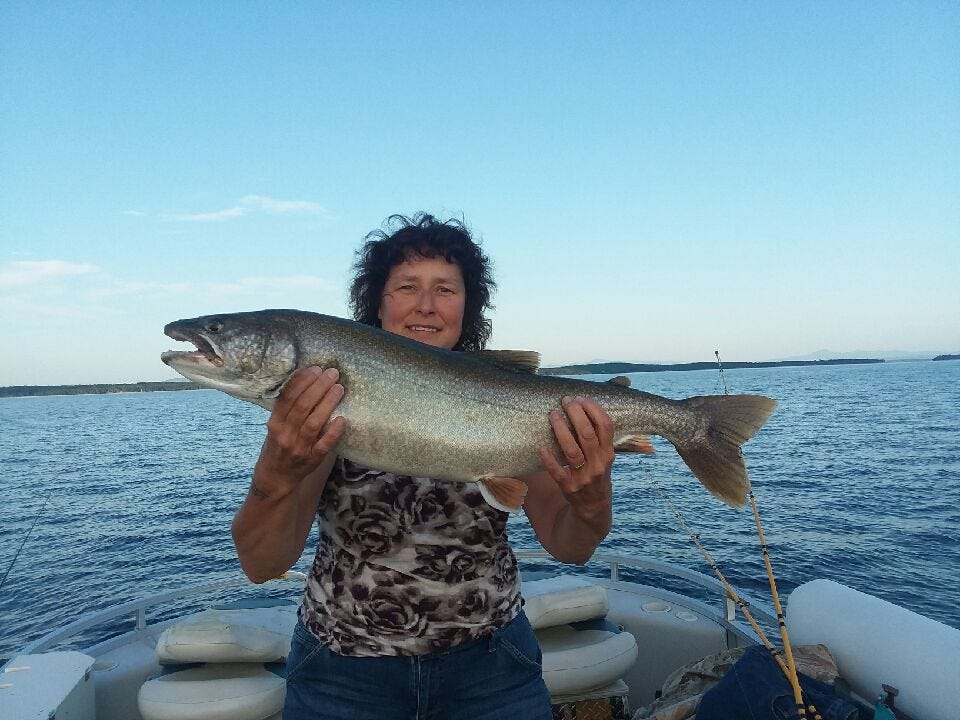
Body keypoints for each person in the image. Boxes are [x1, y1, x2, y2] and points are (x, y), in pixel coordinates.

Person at [231, 213, 617, 720]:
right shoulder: (325, 396)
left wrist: (592, 500)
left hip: (492, 671)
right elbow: (262, 565)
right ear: (377, 301)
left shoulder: (512, 402)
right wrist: (276, 475)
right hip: (344, 677)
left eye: (446, 289)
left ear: (468, 304)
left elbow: (571, 546)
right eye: (406, 287)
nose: (426, 305)